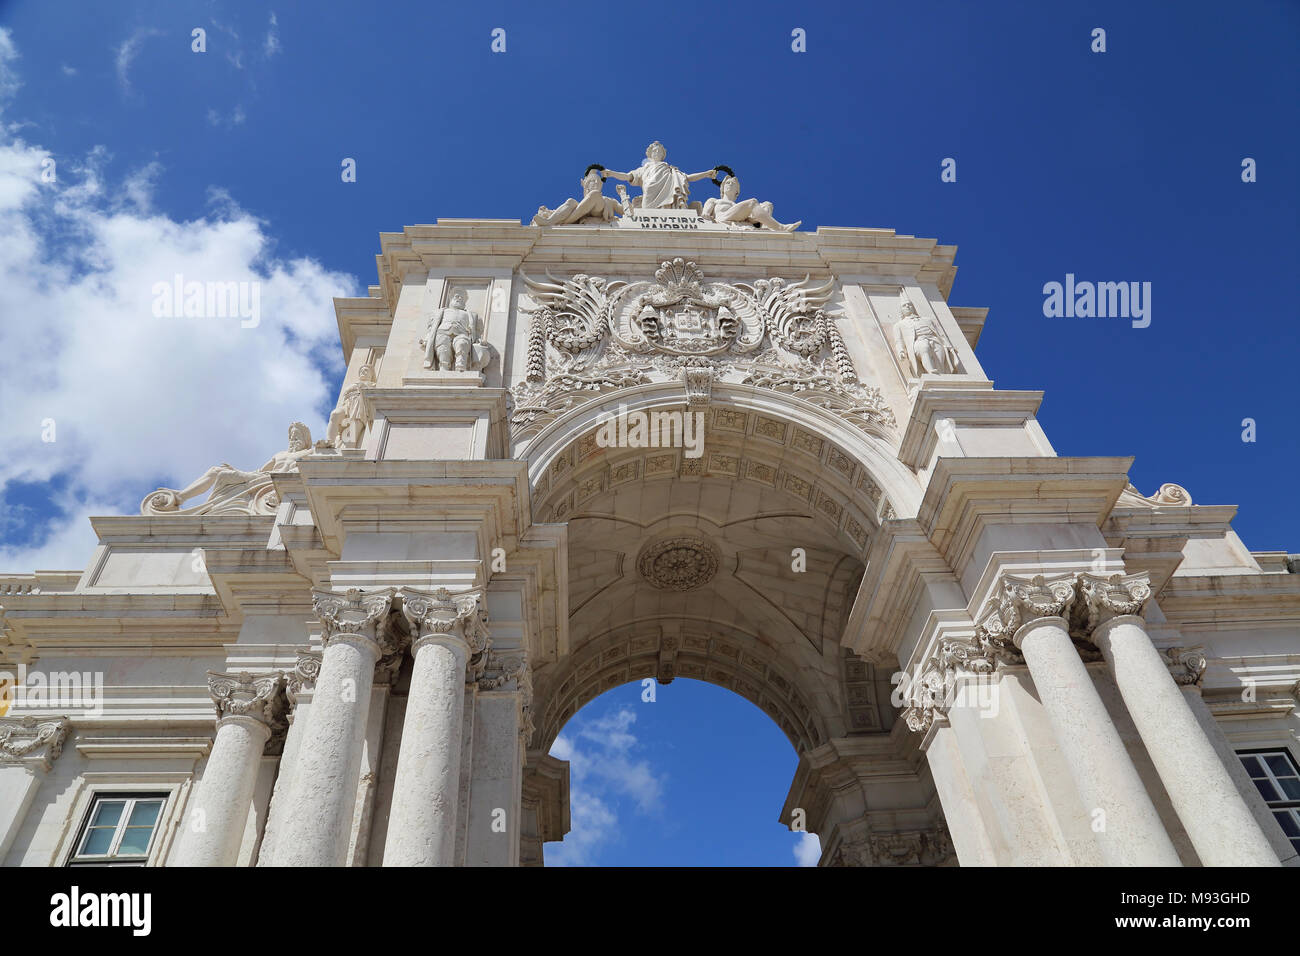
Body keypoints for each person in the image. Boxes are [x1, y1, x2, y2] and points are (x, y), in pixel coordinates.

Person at [602, 142, 715, 210]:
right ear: (650, 154)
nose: (656, 152)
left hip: (668, 195)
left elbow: (688, 178)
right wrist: (611, 173)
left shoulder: (671, 170)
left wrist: (706, 174)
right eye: (654, 151)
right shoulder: (644, 168)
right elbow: (627, 176)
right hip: (649, 192)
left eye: (659, 151)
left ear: (662, 154)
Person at [701, 175, 800, 232]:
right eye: (727, 183)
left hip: (740, 219)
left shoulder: (737, 206)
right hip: (723, 218)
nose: (729, 185)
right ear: (722, 188)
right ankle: (780, 227)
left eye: (733, 184)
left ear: (737, 191)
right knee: (752, 202)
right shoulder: (714, 200)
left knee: (767, 204)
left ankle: (767, 229)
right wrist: (706, 215)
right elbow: (705, 214)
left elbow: (751, 219)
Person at [533, 167, 621, 225]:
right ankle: (549, 222)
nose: (595, 183)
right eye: (592, 181)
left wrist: (623, 195)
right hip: (581, 212)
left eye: (597, 182)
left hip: (597, 210)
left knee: (595, 194)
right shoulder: (579, 203)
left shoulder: (608, 200)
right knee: (571, 201)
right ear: (585, 185)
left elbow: (624, 211)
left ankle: (565, 222)